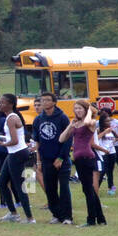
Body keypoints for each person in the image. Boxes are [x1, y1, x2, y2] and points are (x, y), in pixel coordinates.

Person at [60, 100, 107, 226]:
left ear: (86, 110)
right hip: (79, 159)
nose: (77, 111)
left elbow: (87, 122)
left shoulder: (90, 122)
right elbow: (61, 138)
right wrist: (70, 126)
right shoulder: (76, 124)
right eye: (75, 108)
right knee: (89, 189)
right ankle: (101, 219)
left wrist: (90, 111)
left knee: (88, 189)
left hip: (87, 157)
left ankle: (91, 220)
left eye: (80, 108)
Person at [0, 94, 35, 224]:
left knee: (19, 185)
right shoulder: (9, 117)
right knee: (1, 182)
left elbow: (15, 141)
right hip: (13, 153)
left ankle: (30, 218)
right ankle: (13, 214)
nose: (0, 104)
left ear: (11, 104)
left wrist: (1, 144)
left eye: (3, 102)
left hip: (17, 153)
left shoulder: (11, 118)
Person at [31, 92, 73, 225]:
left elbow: (68, 139)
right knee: (50, 188)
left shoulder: (62, 118)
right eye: (42, 100)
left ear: (54, 102)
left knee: (64, 188)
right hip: (46, 159)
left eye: (48, 100)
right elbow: (37, 141)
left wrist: (61, 157)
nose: (44, 103)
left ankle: (67, 217)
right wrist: (38, 160)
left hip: (62, 159)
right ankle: (57, 214)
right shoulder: (38, 120)